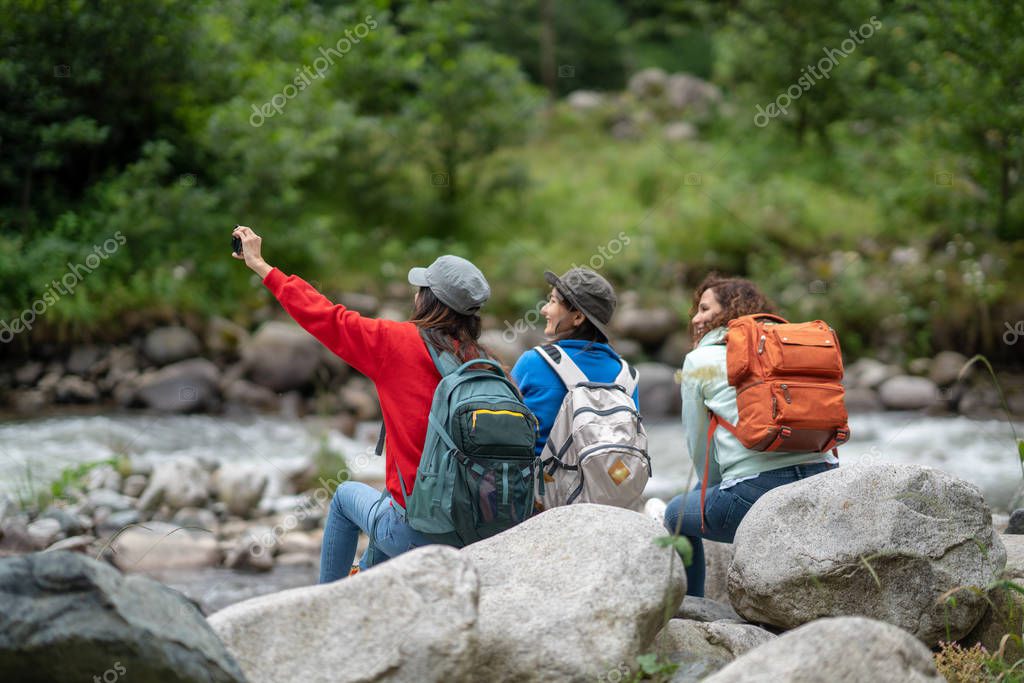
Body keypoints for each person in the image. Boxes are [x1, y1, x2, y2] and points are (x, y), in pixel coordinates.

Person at [232, 226, 492, 582]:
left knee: (343, 498)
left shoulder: (396, 343)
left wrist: (262, 266)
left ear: (427, 300)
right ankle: (365, 580)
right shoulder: (484, 363)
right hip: (481, 532)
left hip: (420, 534)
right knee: (389, 499)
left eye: (421, 289)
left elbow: (326, 317)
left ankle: (329, 601)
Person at [665, 274, 838, 597]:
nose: (696, 317)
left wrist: (714, 488)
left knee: (676, 513)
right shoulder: (786, 348)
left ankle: (693, 609)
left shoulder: (699, 360)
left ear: (729, 312)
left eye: (704, 309)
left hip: (754, 492)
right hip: (825, 479)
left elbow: (699, 445)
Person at [510, 268, 639, 459]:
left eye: (553, 301)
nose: (544, 309)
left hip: (541, 486)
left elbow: (503, 429)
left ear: (578, 317)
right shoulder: (628, 377)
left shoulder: (533, 363)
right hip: (605, 486)